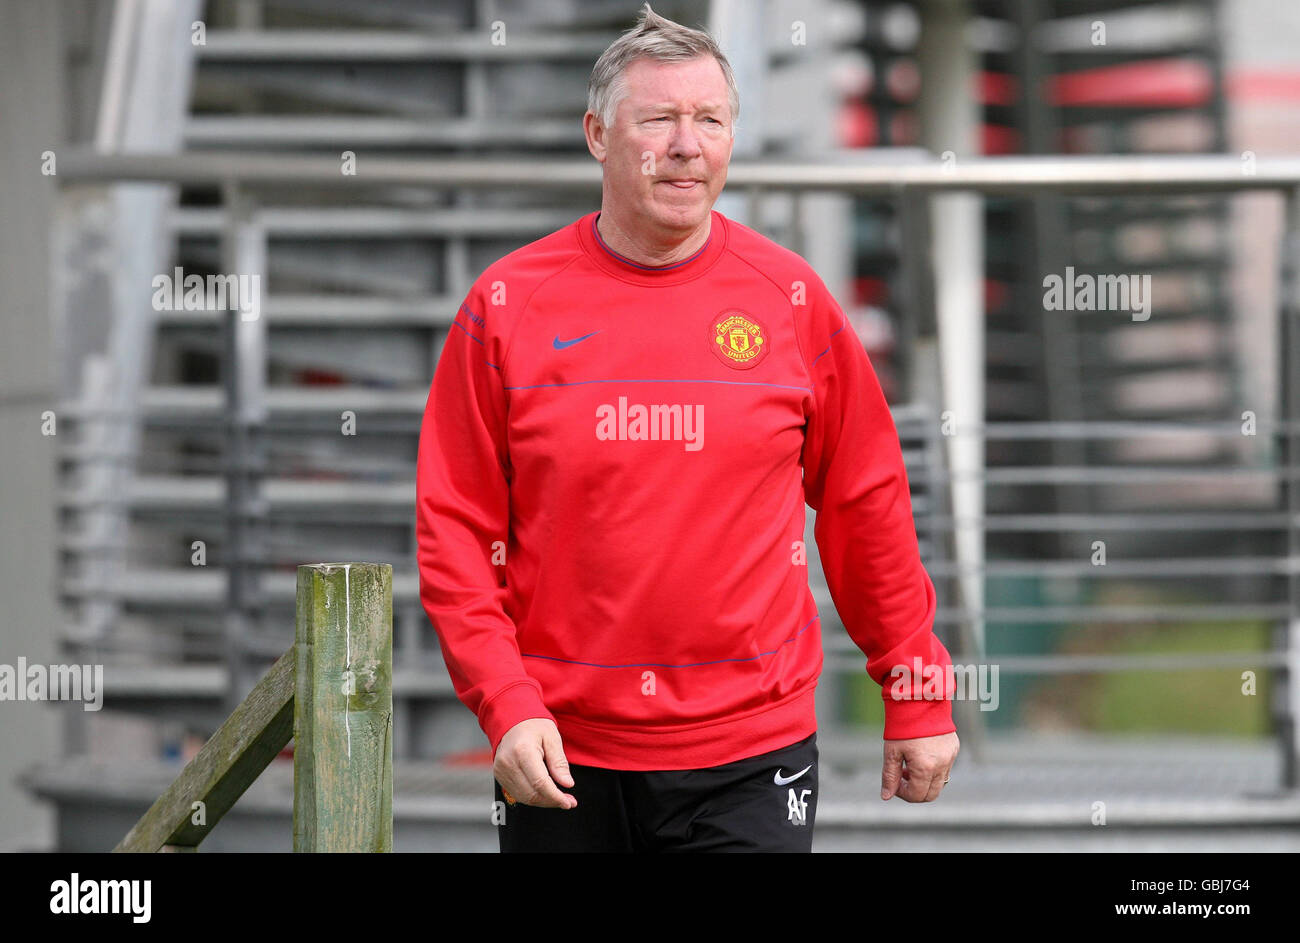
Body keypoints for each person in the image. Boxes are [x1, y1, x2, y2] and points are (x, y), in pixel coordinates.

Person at [416, 3, 959, 853]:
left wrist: (916, 686)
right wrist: (505, 701)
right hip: (559, 757)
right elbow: (456, 529)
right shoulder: (505, 307)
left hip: (751, 757)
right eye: (659, 118)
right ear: (598, 134)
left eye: (710, 120)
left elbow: (868, 506)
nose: (686, 143)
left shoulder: (792, 302)